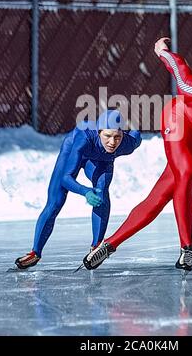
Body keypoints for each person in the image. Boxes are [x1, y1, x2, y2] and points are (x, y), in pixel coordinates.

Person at [82, 37, 192, 272]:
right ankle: (187, 247)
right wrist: (161, 50)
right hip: (178, 119)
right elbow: (178, 66)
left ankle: (110, 244)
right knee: (184, 172)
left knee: (163, 193)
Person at [15, 110, 141, 269]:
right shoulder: (84, 138)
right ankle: (35, 252)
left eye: (117, 136)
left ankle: (96, 248)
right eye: (107, 136)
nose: (112, 142)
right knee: (55, 202)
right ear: (99, 131)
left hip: (100, 160)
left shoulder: (128, 144)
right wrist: (85, 191)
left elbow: (136, 133)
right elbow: (66, 178)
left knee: (101, 192)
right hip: (73, 150)